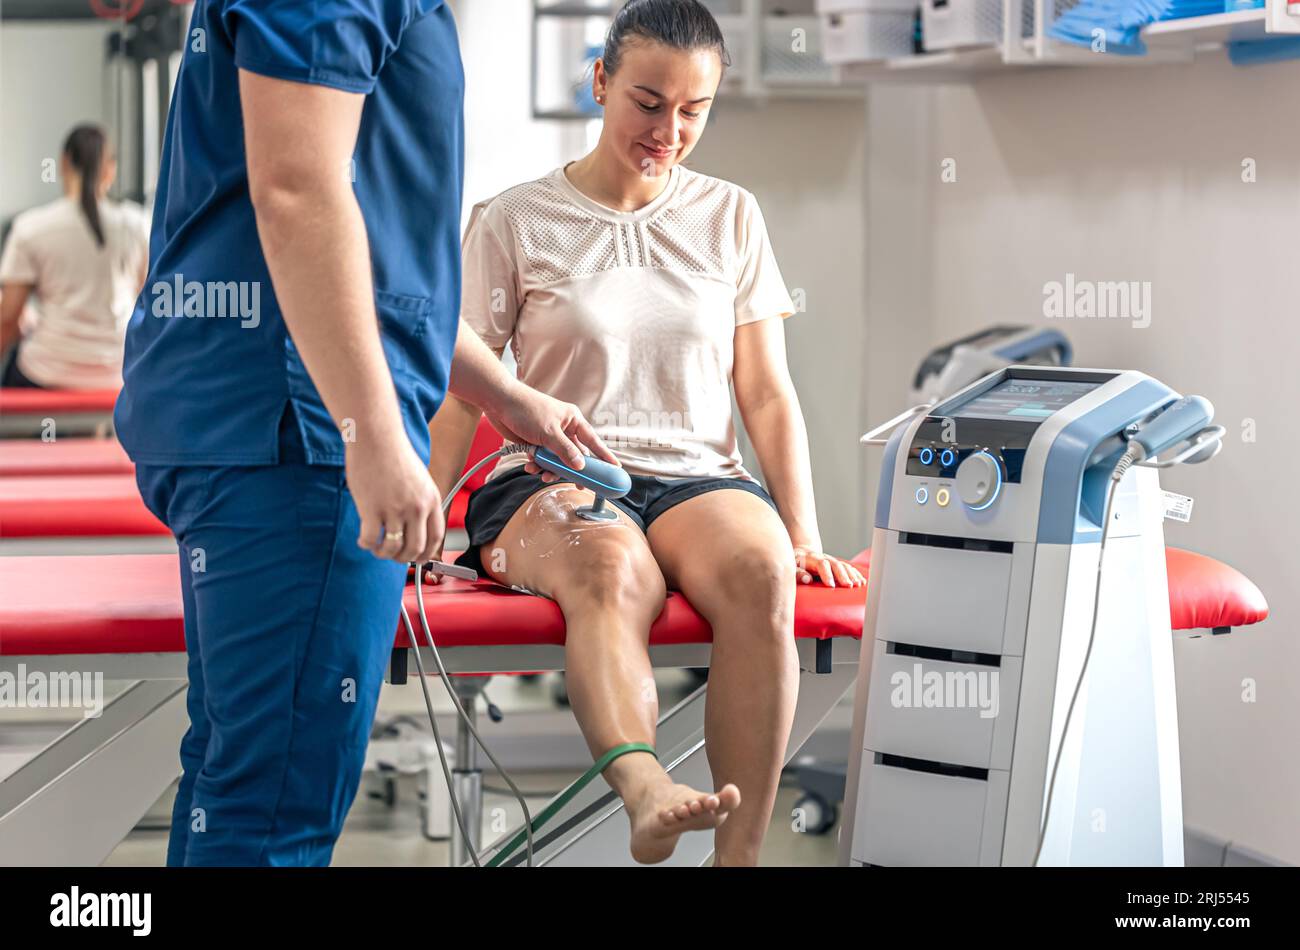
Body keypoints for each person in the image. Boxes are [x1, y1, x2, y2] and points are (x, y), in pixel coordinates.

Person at [113, 0, 612, 866]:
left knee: (241, 781)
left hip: (269, 417)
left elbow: (372, 256)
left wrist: (503, 395)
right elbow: (299, 190)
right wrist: (371, 432)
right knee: (275, 807)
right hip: (294, 432)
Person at [427, 0, 865, 867]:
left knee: (759, 571)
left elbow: (767, 394)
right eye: (648, 101)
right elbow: (461, 391)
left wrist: (804, 531)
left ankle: (737, 858)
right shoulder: (514, 219)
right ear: (600, 82)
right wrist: (429, 515)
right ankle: (647, 790)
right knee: (608, 569)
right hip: (554, 475)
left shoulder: (730, 215)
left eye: (694, 110)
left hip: (699, 475)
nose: (669, 129)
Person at [0, 125, 148, 390]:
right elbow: (149, 301)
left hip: (47, 373)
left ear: (64, 163)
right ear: (110, 170)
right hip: (119, 374)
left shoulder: (30, 227)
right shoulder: (137, 225)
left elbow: (8, 320)